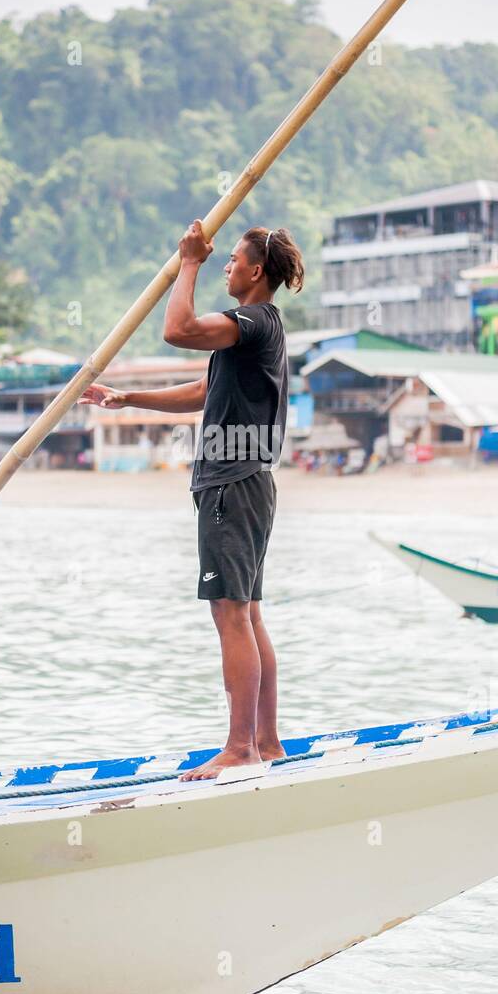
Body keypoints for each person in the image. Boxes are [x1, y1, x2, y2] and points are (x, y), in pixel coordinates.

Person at [79, 219, 304, 779]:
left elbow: (175, 330)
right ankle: (266, 741)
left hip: (232, 482)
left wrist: (189, 263)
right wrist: (128, 398)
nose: (226, 265)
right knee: (247, 612)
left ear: (255, 272)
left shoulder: (251, 321)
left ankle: (240, 748)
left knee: (230, 613)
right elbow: (204, 394)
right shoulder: (252, 331)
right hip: (246, 480)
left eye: (232, 260)